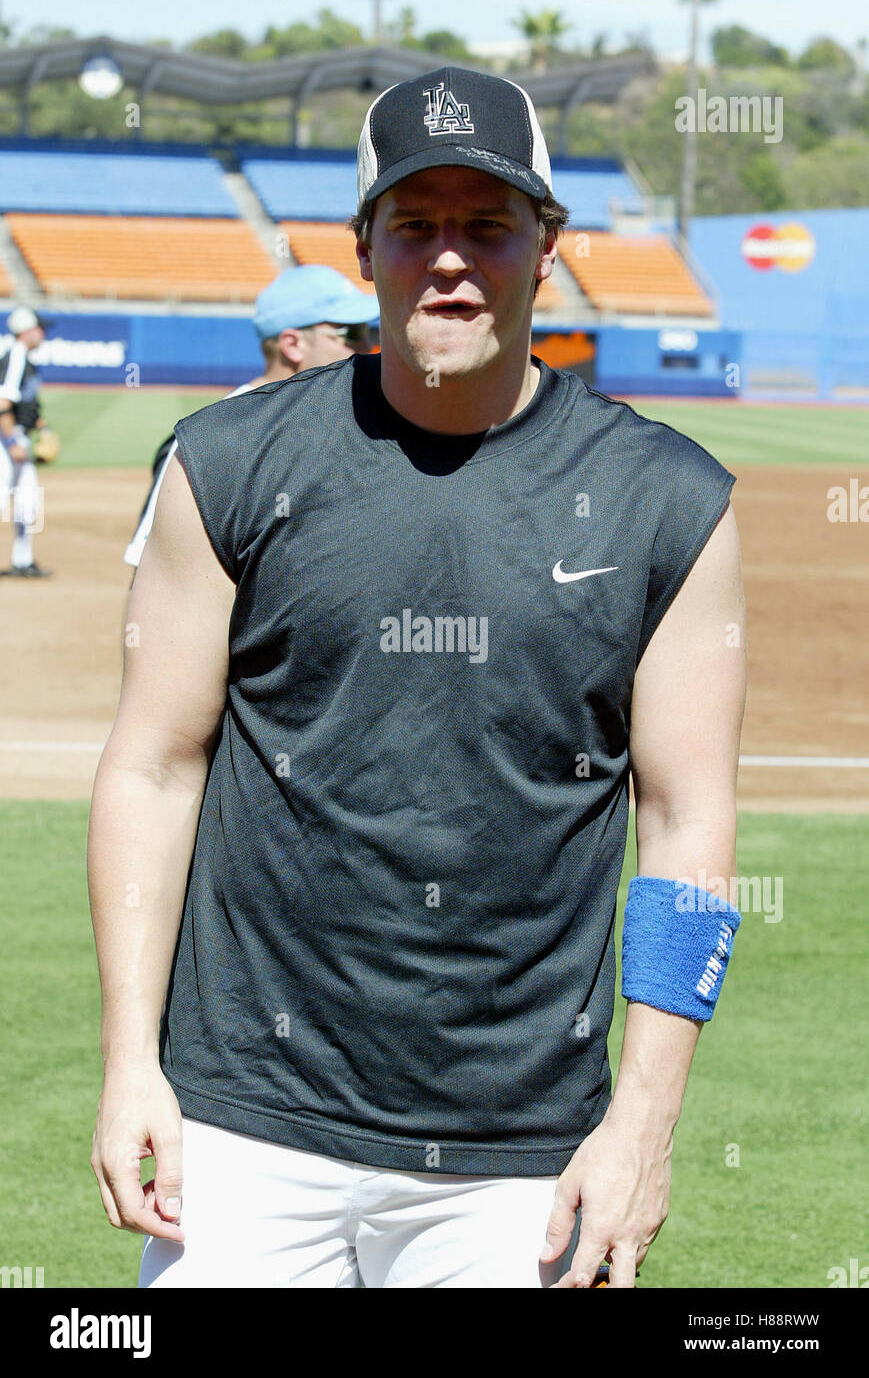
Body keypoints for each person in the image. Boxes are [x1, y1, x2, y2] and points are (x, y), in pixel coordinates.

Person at [88, 66, 747, 1289]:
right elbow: (153, 763)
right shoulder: (226, 464)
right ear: (366, 248)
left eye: (487, 223)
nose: (450, 257)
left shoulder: (668, 500)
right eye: (416, 221)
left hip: (522, 1161)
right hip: (240, 1132)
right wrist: (132, 1057)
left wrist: (642, 1130)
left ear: (545, 246)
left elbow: (685, 820)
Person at [123, 265, 378, 569]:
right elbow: (152, 579)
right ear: (293, 344)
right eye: (352, 333)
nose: (369, 347)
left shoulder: (354, 425)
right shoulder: (207, 444)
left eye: (371, 331)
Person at [0, 306, 52, 578]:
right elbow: (2, 402)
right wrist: (12, 442)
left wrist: (43, 429)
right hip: (6, 439)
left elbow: (27, 404)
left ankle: (22, 560)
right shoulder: (15, 356)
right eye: (40, 329)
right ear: (28, 331)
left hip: (16, 436)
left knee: (27, 500)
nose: (44, 334)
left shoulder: (25, 359)